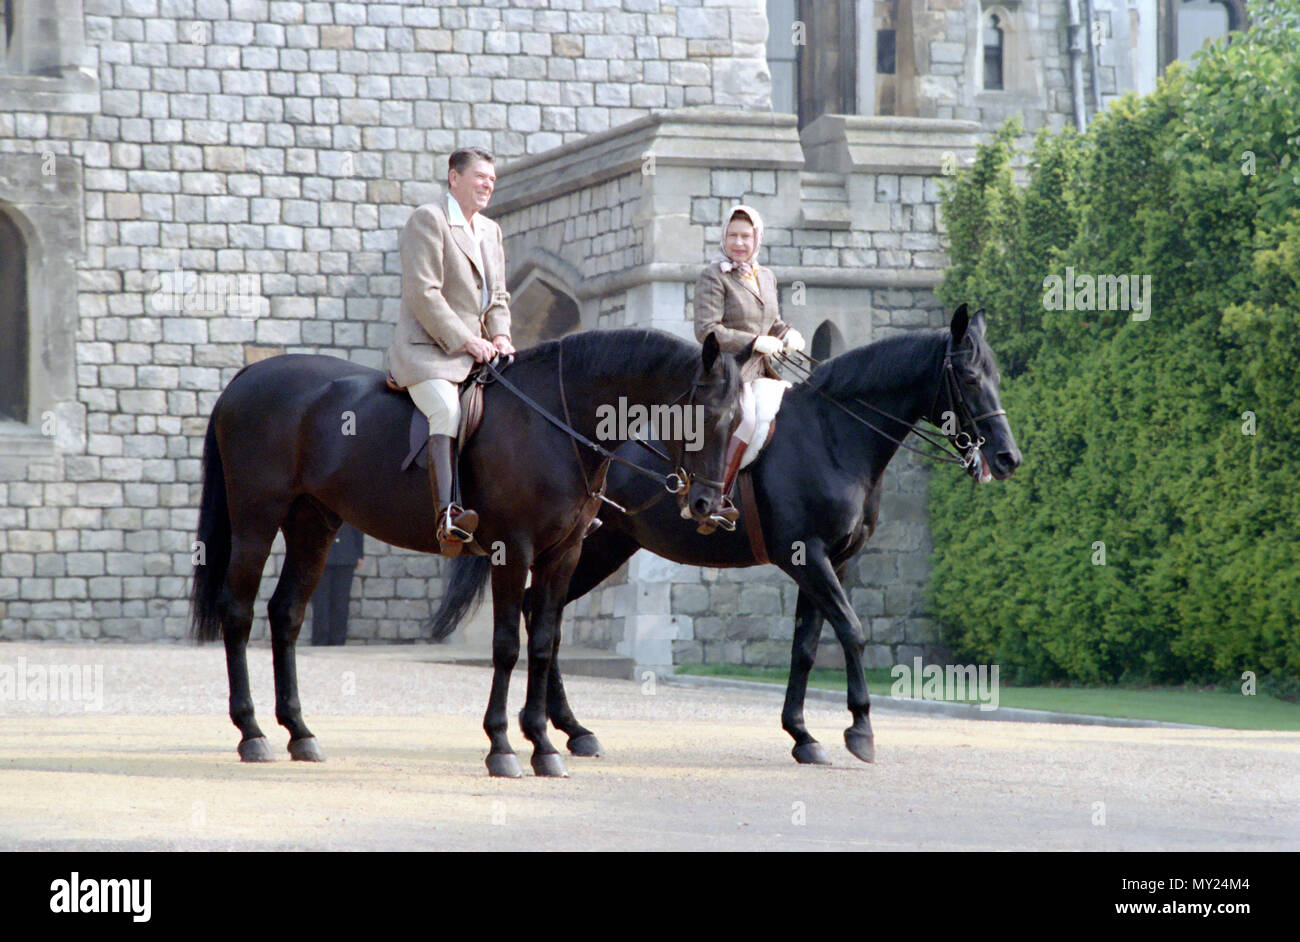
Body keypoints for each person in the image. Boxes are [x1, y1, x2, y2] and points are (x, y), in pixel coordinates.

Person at [384, 147, 514, 556]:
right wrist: (465, 339)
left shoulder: (491, 231)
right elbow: (424, 294)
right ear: (454, 177)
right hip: (429, 352)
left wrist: (502, 336)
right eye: (480, 177)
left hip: (480, 353)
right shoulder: (429, 220)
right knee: (446, 410)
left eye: (492, 179)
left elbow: (498, 298)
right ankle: (448, 515)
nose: (487, 185)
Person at [693, 204, 804, 484]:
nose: (739, 243)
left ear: (757, 238)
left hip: (764, 372)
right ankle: (719, 493)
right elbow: (707, 331)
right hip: (728, 373)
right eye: (733, 236)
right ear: (724, 237)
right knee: (749, 422)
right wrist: (754, 341)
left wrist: (787, 333)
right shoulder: (713, 276)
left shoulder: (765, 276)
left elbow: (771, 320)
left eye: (745, 236)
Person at [309, 524, 364, 646]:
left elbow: (358, 527)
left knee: (341, 603)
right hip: (320, 556)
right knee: (320, 603)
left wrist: (359, 553)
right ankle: (320, 641)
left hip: (346, 556)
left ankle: (338, 641)